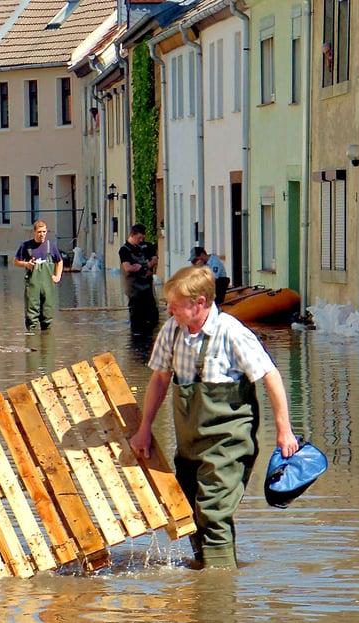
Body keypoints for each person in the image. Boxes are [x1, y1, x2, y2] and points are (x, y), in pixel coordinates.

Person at [128, 265, 299, 569]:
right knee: (190, 511)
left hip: (228, 444)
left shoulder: (231, 332)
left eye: (175, 305)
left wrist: (284, 431)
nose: (169, 310)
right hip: (190, 444)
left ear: (200, 304)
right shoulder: (172, 330)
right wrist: (144, 429)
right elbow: (159, 380)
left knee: (214, 513)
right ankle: (202, 585)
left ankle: (219, 593)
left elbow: (270, 375)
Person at [13, 221, 63, 331]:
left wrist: (57, 276)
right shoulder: (26, 246)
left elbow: (59, 262)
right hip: (32, 285)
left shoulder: (51, 246)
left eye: (44, 232)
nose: (42, 234)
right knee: (31, 316)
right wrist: (26, 264)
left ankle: (46, 344)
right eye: (39, 232)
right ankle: (32, 343)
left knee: (47, 315)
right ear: (34, 232)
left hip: (48, 286)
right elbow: (15, 261)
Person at [119, 224, 159, 334]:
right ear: (132, 235)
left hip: (146, 287)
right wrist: (141, 267)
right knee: (137, 318)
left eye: (143, 238)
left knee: (153, 316)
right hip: (134, 290)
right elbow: (128, 267)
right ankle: (136, 341)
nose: (141, 240)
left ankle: (150, 338)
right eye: (139, 238)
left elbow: (151, 262)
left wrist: (143, 267)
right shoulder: (124, 250)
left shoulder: (141, 247)